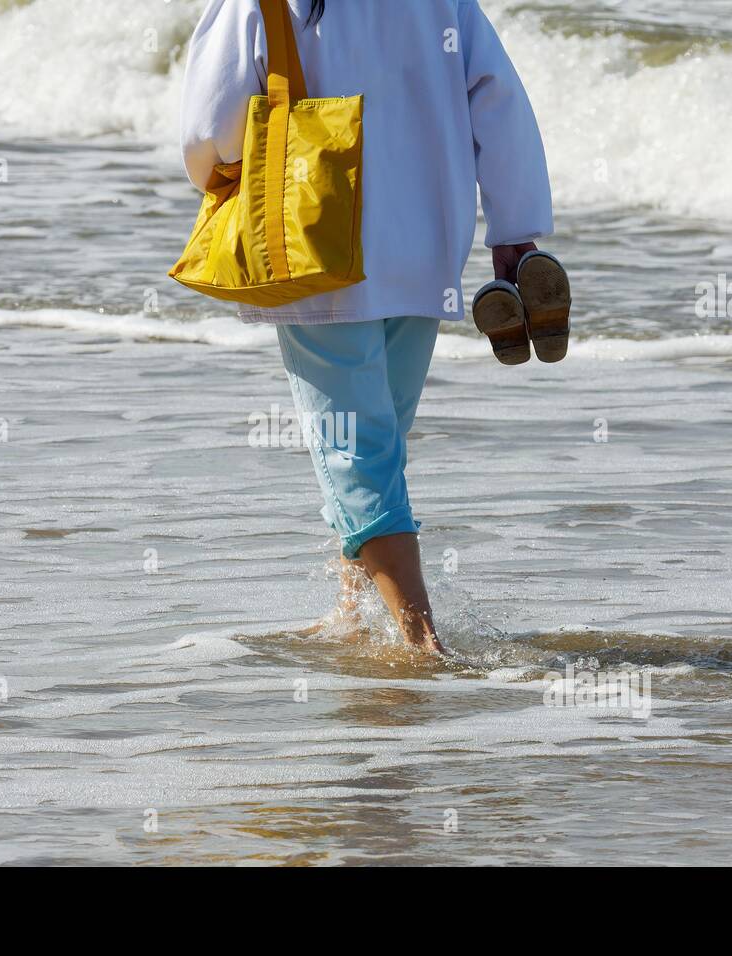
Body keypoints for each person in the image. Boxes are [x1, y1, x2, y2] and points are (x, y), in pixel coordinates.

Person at [179, 0, 564, 653]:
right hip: (427, 245)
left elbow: (212, 120)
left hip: (317, 235)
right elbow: (497, 98)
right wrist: (514, 232)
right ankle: (352, 613)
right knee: (378, 440)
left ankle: (422, 642)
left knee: (355, 449)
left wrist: (212, 173)